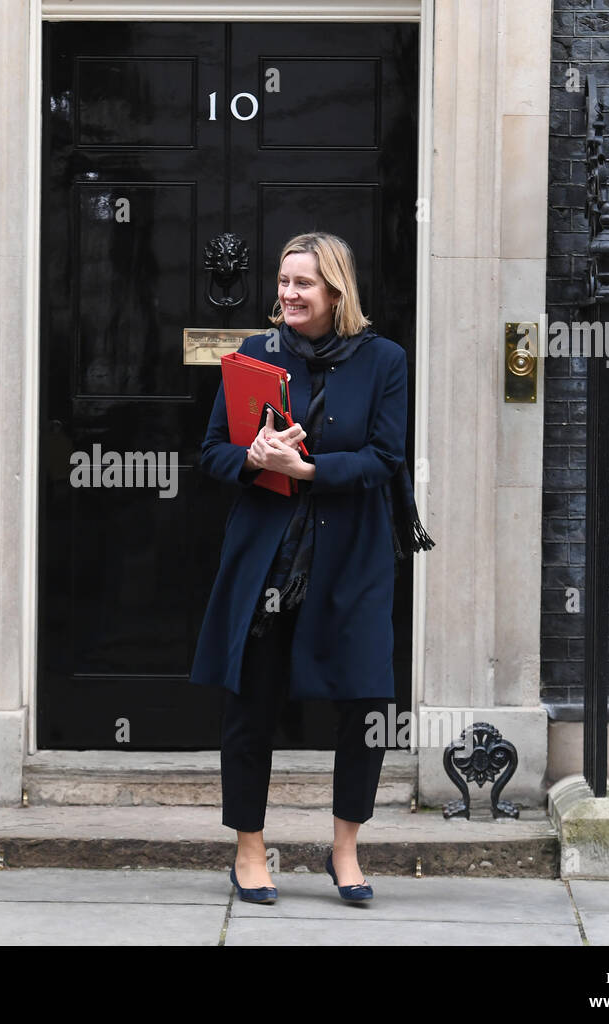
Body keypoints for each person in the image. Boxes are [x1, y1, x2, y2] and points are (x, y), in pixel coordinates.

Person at [190, 231, 408, 906]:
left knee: (364, 702)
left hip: (352, 558)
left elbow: (385, 458)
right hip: (269, 556)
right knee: (252, 702)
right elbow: (211, 453)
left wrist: (308, 468)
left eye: (302, 284)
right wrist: (255, 458)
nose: (287, 294)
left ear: (336, 291)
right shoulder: (256, 355)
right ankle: (249, 851)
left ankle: (344, 847)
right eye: (283, 282)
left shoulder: (384, 361)